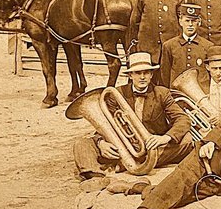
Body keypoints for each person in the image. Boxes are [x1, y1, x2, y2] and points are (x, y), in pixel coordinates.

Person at [72, 52, 194, 181]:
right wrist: (101, 143)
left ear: (151, 74)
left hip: (153, 147)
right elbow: (105, 124)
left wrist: (165, 138)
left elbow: (183, 119)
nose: (142, 77)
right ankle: (94, 176)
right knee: (81, 143)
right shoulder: (116, 93)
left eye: (146, 73)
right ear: (130, 75)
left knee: (187, 140)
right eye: (137, 73)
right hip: (122, 147)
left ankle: (126, 164)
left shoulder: (161, 93)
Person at [127, 0, 184, 85]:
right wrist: (135, 45)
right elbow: (134, 22)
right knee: (147, 79)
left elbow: (182, 24)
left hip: (168, 47)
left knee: (166, 80)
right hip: (147, 47)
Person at [159, 3, 213, 87]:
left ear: (199, 22)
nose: (190, 24)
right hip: (177, 93)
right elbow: (165, 75)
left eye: (194, 21)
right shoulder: (169, 46)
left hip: (201, 94)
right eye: (187, 21)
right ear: (180, 21)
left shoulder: (208, 46)